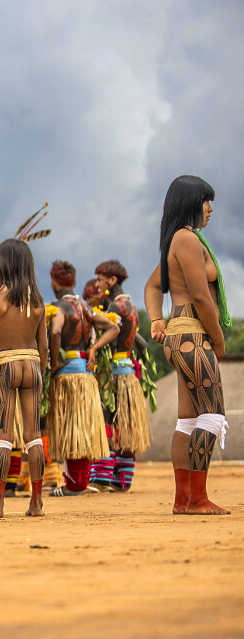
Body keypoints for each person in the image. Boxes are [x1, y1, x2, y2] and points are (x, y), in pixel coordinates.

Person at [145, 175, 230, 515]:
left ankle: (183, 499)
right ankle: (197, 497)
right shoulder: (187, 239)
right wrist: (219, 339)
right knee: (213, 414)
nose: (210, 208)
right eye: (205, 201)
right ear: (190, 203)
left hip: (179, 335)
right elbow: (199, 295)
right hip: (193, 335)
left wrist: (156, 319)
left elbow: (153, 286)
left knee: (188, 420)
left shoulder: (177, 240)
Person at [0, 239, 48, 518]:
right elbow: (44, 346)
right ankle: (36, 503)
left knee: (4, 437)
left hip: (4, 366)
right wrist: (41, 374)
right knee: (34, 437)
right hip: (32, 366)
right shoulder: (38, 300)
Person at [47, 261, 118, 496]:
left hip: (67, 376)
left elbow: (56, 331)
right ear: (75, 282)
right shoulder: (83, 307)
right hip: (86, 376)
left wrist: (54, 362)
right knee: (82, 429)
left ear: (53, 282)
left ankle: (73, 485)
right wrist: (94, 348)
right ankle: (77, 482)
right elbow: (113, 328)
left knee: (71, 428)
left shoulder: (59, 307)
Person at [86, 261, 150, 492]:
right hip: (129, 373)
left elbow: (109, 341)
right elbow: (141, 344)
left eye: (100, 280)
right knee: (124, 425)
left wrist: (93, 350)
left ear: (112, 281)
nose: (97, 284)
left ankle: (102, 478)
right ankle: (122, 480)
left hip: (113, 372)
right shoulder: (131, 305)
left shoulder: (114, 305)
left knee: (107, 422)